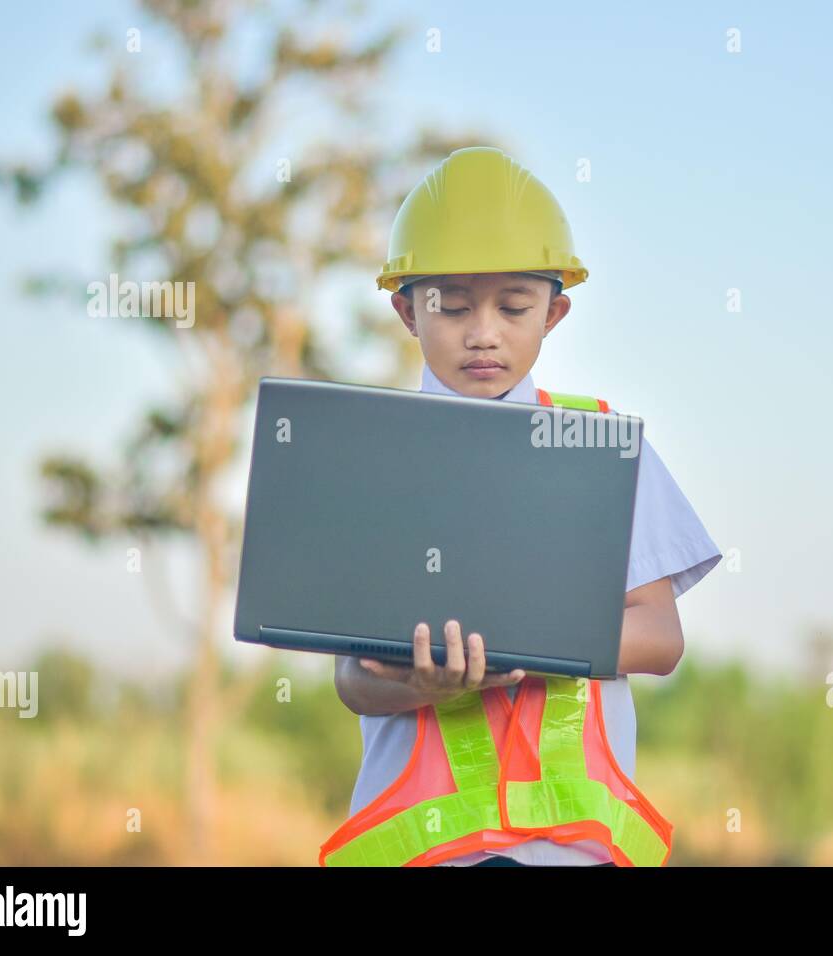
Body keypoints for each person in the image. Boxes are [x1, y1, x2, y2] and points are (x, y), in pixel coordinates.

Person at [322, 147, 721, 866]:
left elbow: (660, 637)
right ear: (407, 310)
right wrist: (417, 682)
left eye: (513, 307)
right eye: (453, 306)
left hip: (572, 853)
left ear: (555, 312)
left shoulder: (597, 443)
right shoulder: (375, 459)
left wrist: (522, 645)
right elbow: (354, 681)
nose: (484, 332)